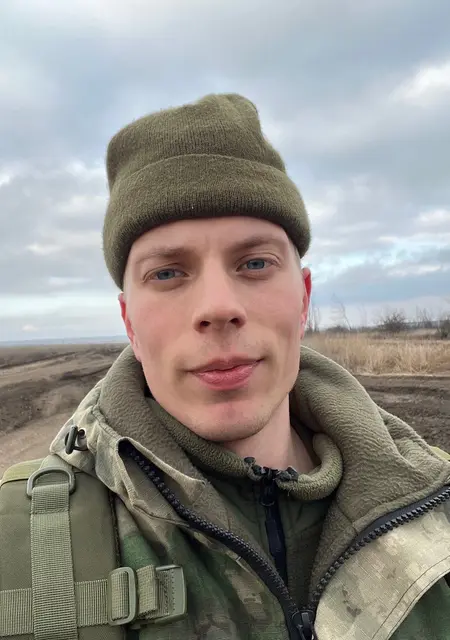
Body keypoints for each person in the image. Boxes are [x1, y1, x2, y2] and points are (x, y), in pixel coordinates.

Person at [1, 93, 449, 640]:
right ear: (129, 322)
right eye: (168, 273)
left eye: (255, 263)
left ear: (304, 299)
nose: (218, 307)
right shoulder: (23, 546)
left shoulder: (436, 500)